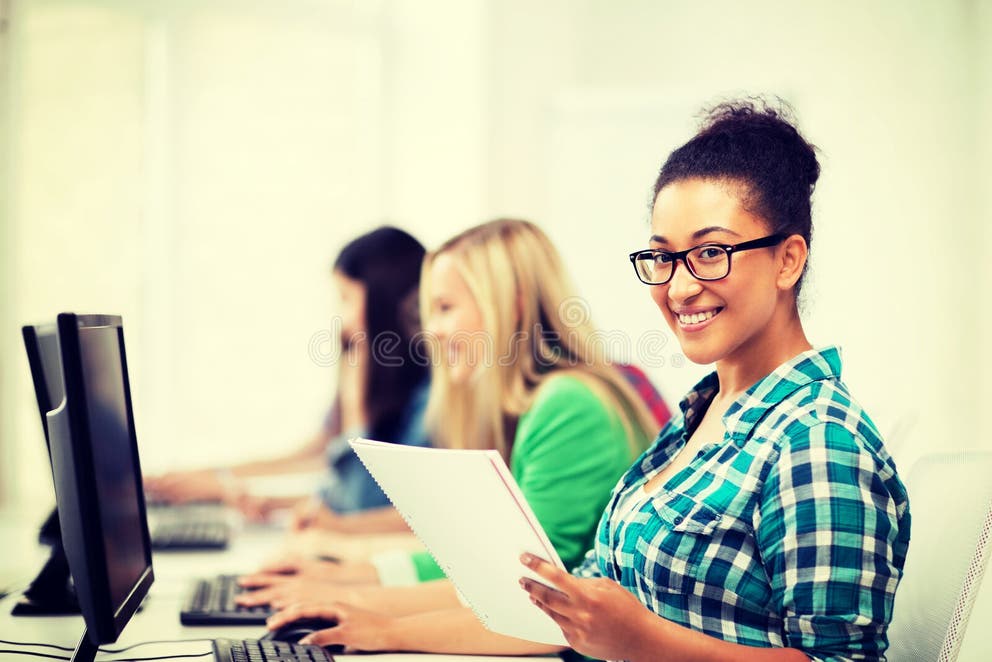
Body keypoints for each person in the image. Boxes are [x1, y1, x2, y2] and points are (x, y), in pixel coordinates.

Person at [261, 99, 911, 661]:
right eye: (662, 256)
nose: (680, 285)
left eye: (711, 252)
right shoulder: (700, 420)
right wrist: (380, 627)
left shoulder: (817, 442)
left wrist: (640, 639)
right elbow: (566, 610)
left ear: (787, 259)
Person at [237, 218, 661, 623]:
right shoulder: (520, 408)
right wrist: (344, 574)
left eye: (445, 308)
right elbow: (471, 558)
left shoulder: (569, 404)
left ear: (508, 306)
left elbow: (520, 582)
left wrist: (353, 597)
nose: (433, 330)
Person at [144, 226, 431, 524]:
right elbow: (321, 455)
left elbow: (361, 499)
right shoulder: (372, 375)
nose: (342, 322)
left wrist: (356, 408)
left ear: (382, 302)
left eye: (346, 299)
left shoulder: (425, 400)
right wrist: (219, 478)